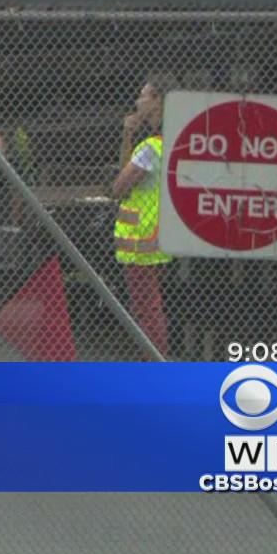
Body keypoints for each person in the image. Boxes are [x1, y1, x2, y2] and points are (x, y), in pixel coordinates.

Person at [108, 78, 176, 357]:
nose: (138, 101)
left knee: (147, 308)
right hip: (159, 234)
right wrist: (128, 134)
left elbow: (119, 187)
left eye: (144, 95)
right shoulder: (171, 142)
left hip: (141, 240)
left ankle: (154, 359)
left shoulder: (150, 148)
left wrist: (128, 137)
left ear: (158, 101)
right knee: (150, 305)